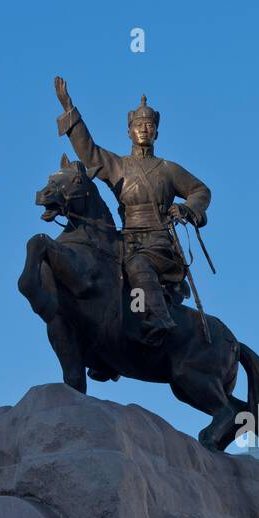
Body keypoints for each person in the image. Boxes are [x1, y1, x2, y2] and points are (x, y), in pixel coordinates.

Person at [54, 77, 211, 348]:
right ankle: (105, 343)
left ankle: (160, 319)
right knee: (100, 272)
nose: (144, 129)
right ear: (129, 131)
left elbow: (201, 190)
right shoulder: (119, 167)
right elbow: (89, 152)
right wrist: (69, 108)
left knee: (138, 265)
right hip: (126, 240)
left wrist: (187, 208)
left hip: (159, 245)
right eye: (138, 125)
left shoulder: (168, 169)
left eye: (149, 125)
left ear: (156, 133)